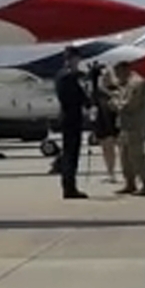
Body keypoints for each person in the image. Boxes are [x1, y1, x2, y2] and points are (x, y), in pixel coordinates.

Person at [109, 62, 145, 195]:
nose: (116, 77)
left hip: (134, 125)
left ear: (124, 70)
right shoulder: (127, 84)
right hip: (126, 125)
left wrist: (115, 104)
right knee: (125, 156)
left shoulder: (136, 84)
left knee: (137, 155)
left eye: (117, 73)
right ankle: (130, 183)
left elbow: (131, 105)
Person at [53, 49, 90, 199]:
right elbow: (73, 94)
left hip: (72, 118)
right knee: (70, 154)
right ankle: (69, 188)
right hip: (70, 118)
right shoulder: (65, 76)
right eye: (76, 59)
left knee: (73, 153)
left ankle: (70, 186)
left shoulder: (67, 76)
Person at [87, 62, 120, 182]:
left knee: (119, 148)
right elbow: (92, 108)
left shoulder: (116, 90)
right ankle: (110, 172)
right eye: (103, 76)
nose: (105, 78)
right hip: (102, 121)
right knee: (106, 148)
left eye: (107, 75)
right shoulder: (96, 93)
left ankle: (128, 173)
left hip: (114, 121)